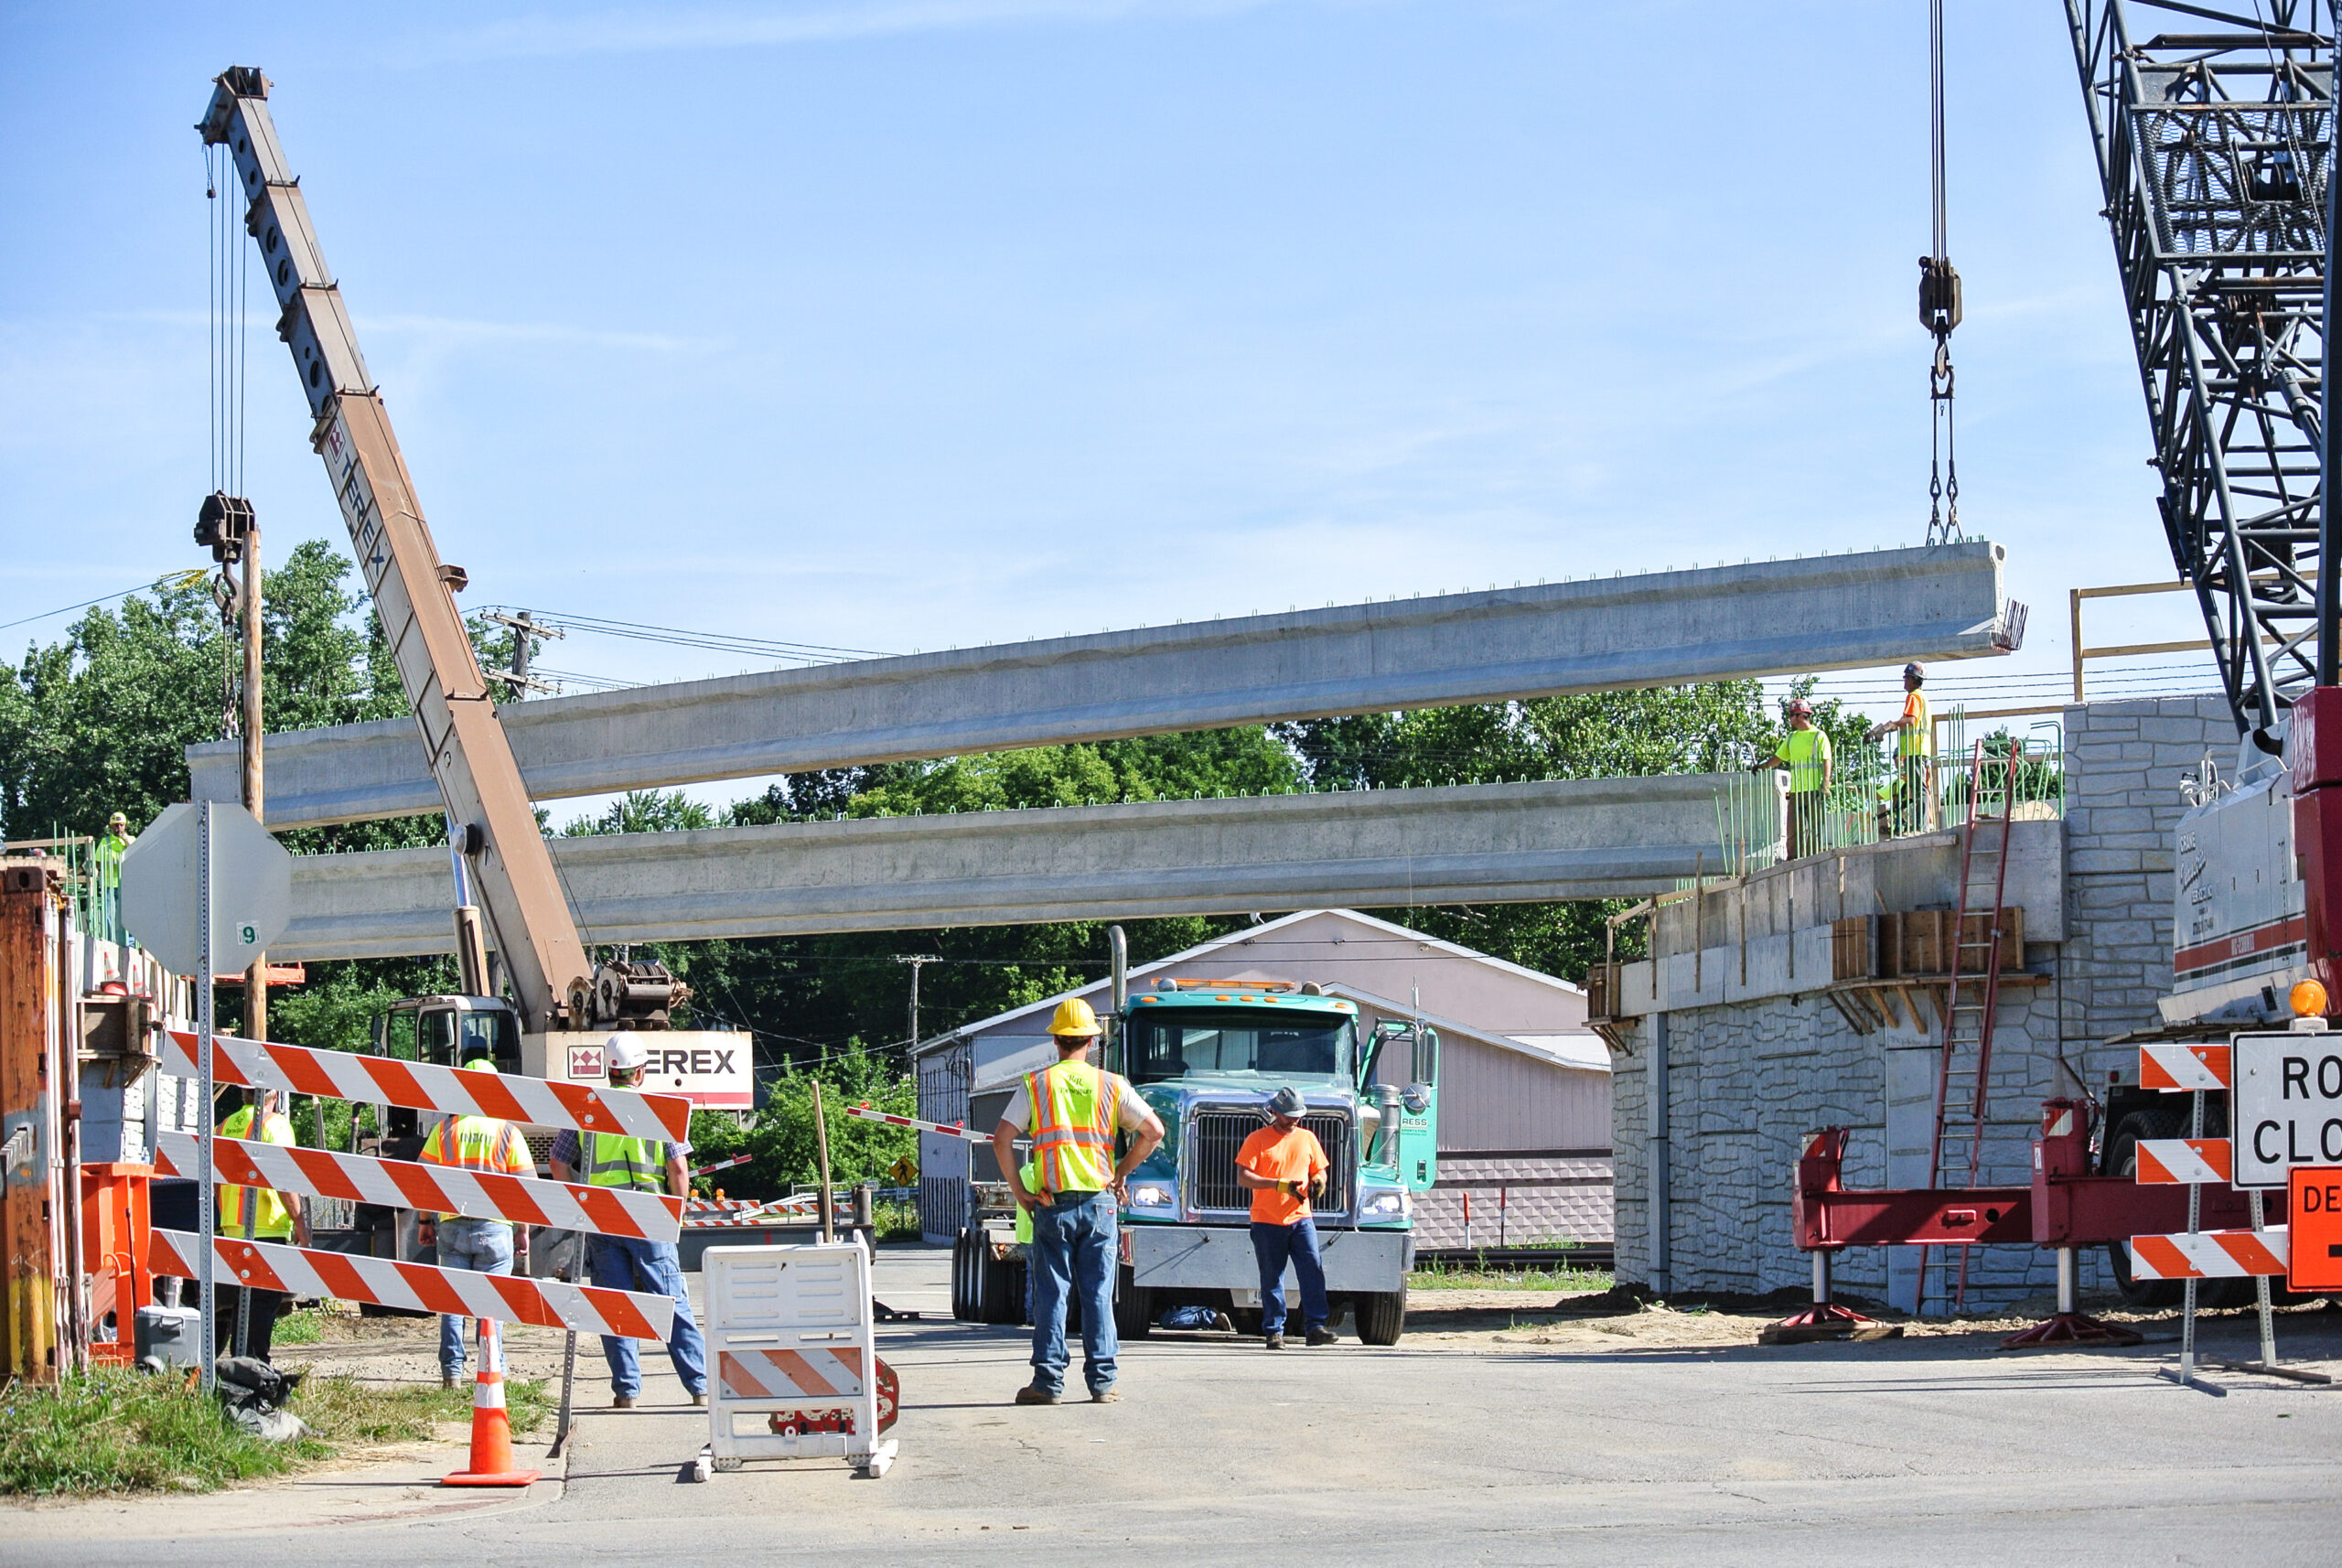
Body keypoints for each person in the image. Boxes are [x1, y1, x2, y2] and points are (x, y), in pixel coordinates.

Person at [991, 997, 1164, 1406]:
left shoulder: (1037, 1085)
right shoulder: (1111, 1085)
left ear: (1057, 1041)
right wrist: (1120, 1172)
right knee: (1098, 1294)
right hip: (1100, 1203)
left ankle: (1047, 1383)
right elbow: (1153, 1131)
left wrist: (1020, 1192)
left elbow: (1001, 1139)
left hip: (1053, 1204)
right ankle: (1102, 1383)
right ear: (1091, 1040)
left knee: (1053, 1293)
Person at [548, 1034, 708, 1410]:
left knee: (613, 1303)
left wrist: (581, 1199)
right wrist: (676, 1216)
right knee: (670, 1301)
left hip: (601, 1215)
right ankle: (699, 1387)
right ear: (640, 1072)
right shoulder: (658, 1109)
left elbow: (557, 1163)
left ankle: (627, 1392)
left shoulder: (588, 1109)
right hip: (648, 1215)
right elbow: (678, 1168)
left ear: (609, 1071)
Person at [418, 1058, 534, 1390]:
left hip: (452, 1225)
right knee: (491, 1303)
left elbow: (424, 1180)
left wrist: (426, 1221)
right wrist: (522, 1230)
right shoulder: (506, 1131)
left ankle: (451, 1373)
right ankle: (492, 1369)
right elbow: (526, 1188)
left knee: (453, 1303)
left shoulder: (444, 1131)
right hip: (495, 1227)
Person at [213, 1085, 311, 1364]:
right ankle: (254, 1366)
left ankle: (238, 1364)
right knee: (264, 1302)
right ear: (276, 1096)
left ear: (242, 1095)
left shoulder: (225, 1126)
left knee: (239, 1303)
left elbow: (218, 1182)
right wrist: (299, 1222)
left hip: (233, 1226)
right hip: (268, 1226)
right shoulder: (275, 1125)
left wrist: (226, 1215)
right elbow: (284, 1180)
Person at [1236, 1087, 1335, 1349]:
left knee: (1313, 1270)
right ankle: (1273, 1331)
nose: (1294, 1120)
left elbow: (1320, 1170)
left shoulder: (1307, 1138)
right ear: (1274, 1111)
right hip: (1267, 1220)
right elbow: (1244, 1176)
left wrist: (1318, 1181)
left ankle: (1315, 1327)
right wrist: (1277, 1185)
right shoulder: (1257, 1140)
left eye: (1297, 1115)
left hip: (1301, 1218)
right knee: (1272, 1277)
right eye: (1289, 1115)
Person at [1752, 699, 1832, 861]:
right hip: (1796, 792)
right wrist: (1763, 766)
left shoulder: (1818, 736)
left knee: (1815, 828)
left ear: (1801, 715)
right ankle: (1793, 859)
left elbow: (1827, 760)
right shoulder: (1791, 738)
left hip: (1815, 791)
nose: (1789, 719)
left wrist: (1826, 783)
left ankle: (1811, 858)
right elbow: (1778, 758)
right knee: (1793, 829)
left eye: (1791, 715)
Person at [1866, 661, 1935, 836]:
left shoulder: (1914, 697)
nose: (1904, 681)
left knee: (1919, 790)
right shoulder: (1922, 697)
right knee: (1919, 788)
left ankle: (1922, 827)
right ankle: (1922, 825)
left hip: (1916, 750)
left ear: (1913, 679)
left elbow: (1911, 721)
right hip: (1918, 750)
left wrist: (1891, 725)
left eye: (1906, 678)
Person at [94, 811, 134, 946]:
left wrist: (127, 840)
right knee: (108, 916)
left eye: (121, 825)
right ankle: (110, 942)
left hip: (127, 885)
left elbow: (137, 855)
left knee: (129, 915)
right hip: (109, 885)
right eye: (116, 825)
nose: (119, 828)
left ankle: (130, 944)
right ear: (111, 827)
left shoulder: (131, 840)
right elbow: (97, 864)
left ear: (125, 825)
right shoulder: (105, 843)